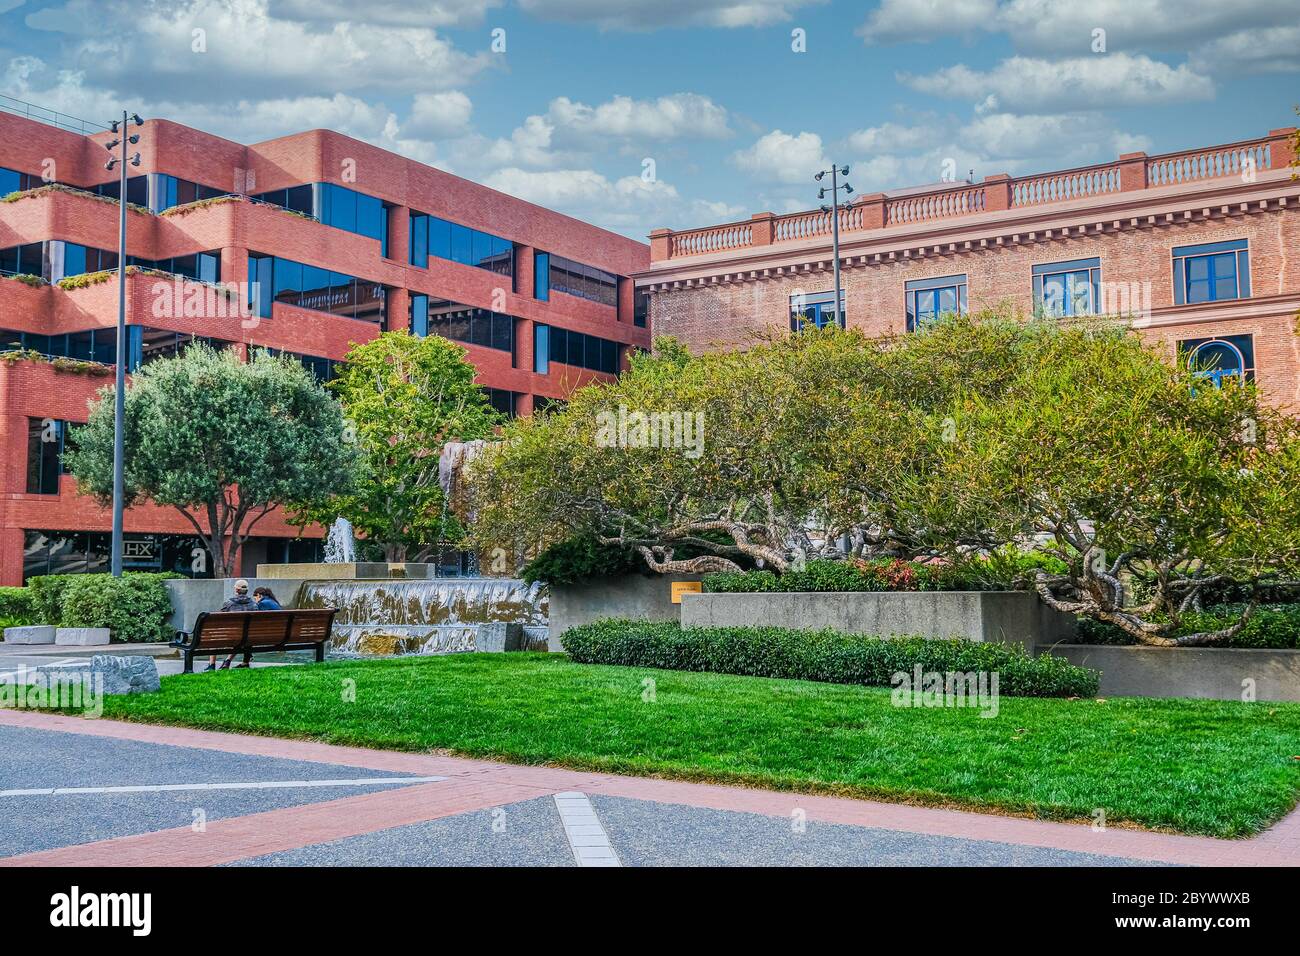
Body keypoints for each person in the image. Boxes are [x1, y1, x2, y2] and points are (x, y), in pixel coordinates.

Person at [210, 580, 256, 671]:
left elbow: (218, 619)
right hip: (249, 637)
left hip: (232, 636)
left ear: (237, 590)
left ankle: (211, 665)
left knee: (213, 636)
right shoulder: (254, 605)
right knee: (243, 634)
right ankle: (229, 661)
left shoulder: (229, 604)